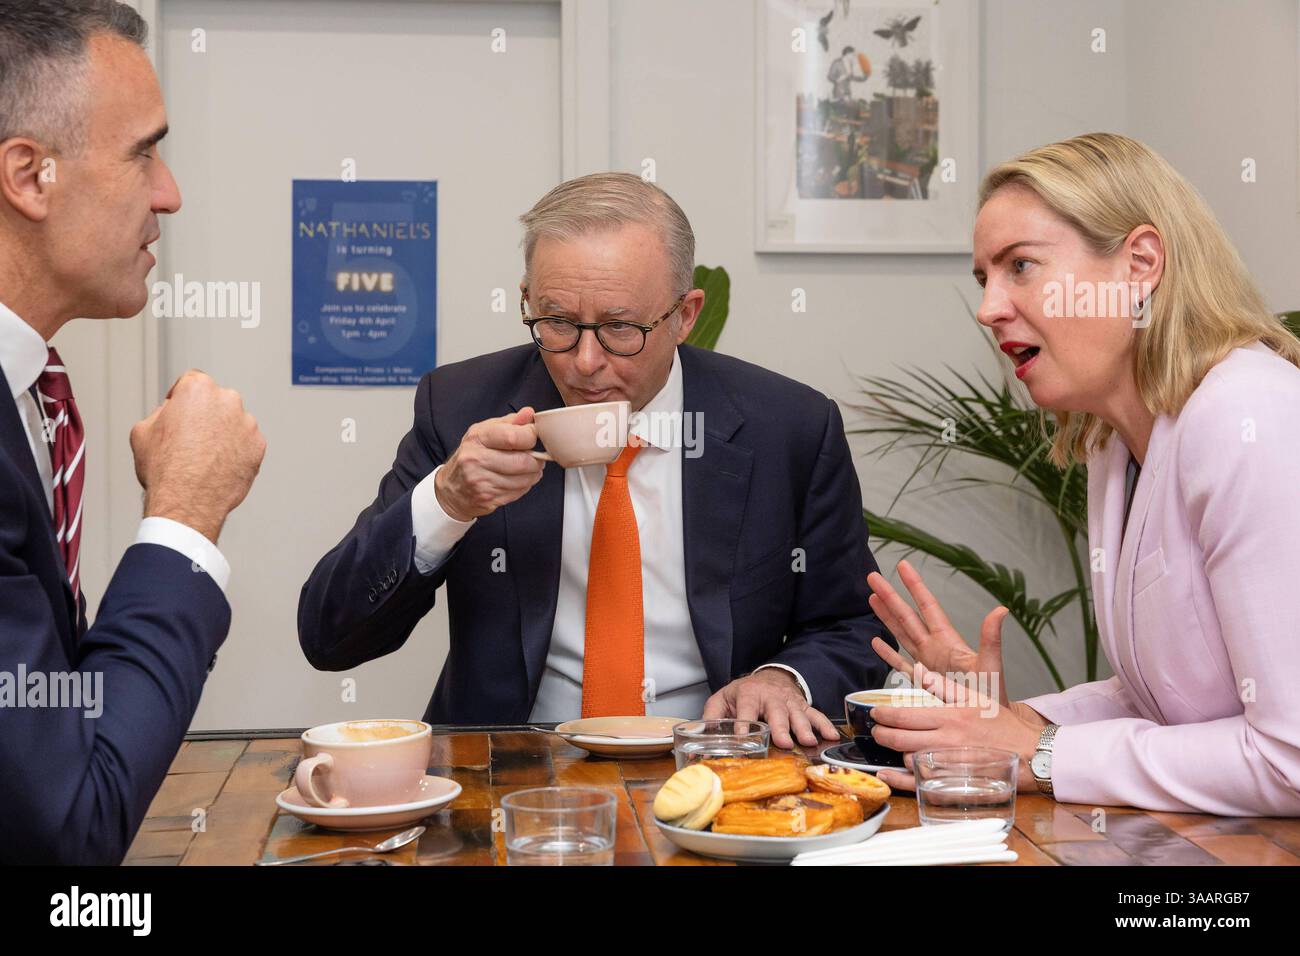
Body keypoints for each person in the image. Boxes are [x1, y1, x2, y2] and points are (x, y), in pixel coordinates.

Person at [299, 173, 892, 748]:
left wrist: (782, 679)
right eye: (557, 322)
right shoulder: (460, 408)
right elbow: (331, 638)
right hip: (512, 769)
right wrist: (445, 502)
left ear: (685, 315)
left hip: (715, 763)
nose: (584, 362)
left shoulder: (786, 427)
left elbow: (853, 625)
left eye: (619, 328)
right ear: (527, 300)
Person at [866, 132, 1300, 816]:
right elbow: (1172, 698)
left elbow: (1289, 759)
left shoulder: (1249, 412)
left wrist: (1037, 752)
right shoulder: (1113, 443)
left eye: (1022, 266)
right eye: (985, 278)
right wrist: (1006, 721)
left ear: (1140, 263)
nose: (988, 309)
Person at [0, 0, 266, 863]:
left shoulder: (28, 393)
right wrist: (184, 519)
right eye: (143, 151)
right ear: (28, 175)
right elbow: (69, 827)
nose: (170, 192)